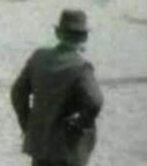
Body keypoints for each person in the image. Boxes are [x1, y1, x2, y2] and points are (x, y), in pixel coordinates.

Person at [11, 9, 104, 166]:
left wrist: (27, 123)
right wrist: (80, 124)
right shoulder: (81, 67)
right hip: (67, 149)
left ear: (58, 33)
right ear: (84, 37)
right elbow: (95, 101)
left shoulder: (38, 57)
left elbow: (17, 93)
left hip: (40, 143)